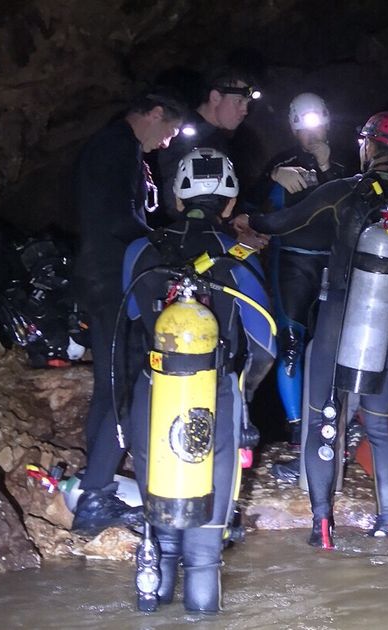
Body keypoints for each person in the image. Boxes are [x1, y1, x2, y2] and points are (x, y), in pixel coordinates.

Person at [232, 112, 388, 549]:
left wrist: (247, 214)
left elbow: (280, 223)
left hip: (338, 315)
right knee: (380, 426)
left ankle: (322, 525)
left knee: (321, 418)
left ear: (367, 145)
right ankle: (387, 522)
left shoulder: (344, 190)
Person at [123, 147, 274, 612]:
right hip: (216, 394)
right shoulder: (239, 256)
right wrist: (242, 394)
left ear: (175, 197)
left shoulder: (138, 251)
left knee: (161, 539)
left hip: (152, 394)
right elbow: (265, 343)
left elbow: (132, 321)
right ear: (230, 203)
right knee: (204, 557)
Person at [70, 90, 185, 535]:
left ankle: (97, 483)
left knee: (109, 386)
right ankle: (95, 495)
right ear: (155, 114)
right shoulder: (117, 146)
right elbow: (117, 217)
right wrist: (164, 246)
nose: (167, 142)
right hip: (112, 277)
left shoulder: (115, 144)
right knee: (124, 386)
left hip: (101, 274)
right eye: (170, 131)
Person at [255, 92, 350, 447]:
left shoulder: (345, 163)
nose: (310, 134)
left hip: (334, 265)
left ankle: (334, 421)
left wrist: (327, 168)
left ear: (328, 123)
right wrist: (272, 176)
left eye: (316, 125)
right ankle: (296, 429)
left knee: (336, 346)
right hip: (292, 266)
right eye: (303, 127)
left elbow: (354, 205)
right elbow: (247, 204)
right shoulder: (280, 163)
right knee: (291, 346)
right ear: (293, 129)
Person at [155, 67, 260, 203]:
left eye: (247, 103)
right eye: (239, 101)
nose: (244, 110)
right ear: (215, 97)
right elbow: (172, 194)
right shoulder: (181, 133)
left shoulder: (218, 137)